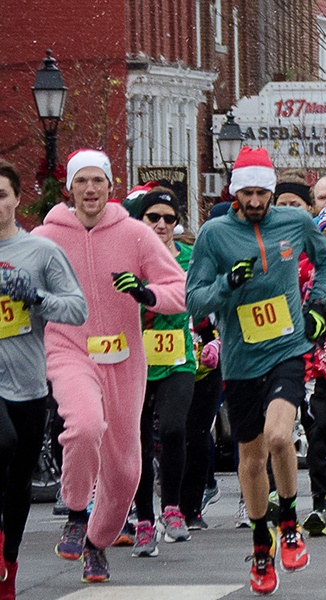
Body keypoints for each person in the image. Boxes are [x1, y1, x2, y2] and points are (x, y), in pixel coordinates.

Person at [35, 150, 188, 583]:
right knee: (84, 425)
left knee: (125, 470)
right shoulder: (48, 236)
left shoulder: (136, 234)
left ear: (109, 187)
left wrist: (145, 293)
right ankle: (76, 513)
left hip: (123, 355)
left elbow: (178, 287)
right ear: (69, 188)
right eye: (81, 181)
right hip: (70, 348)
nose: (89, 190)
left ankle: (97, 542)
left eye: (97, 181)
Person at [187, 147, 326, 593]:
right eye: (246, 192)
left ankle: (287, 520)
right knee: (250, 459)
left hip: (287, 346)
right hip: (241, 358)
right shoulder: (214, 235)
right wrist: (227, 284)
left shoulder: (296, 222)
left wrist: (317, 306)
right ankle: (261, 543)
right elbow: (195, 301)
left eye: (261, 193)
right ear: (234, 191)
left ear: (271, 191)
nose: (254, 201)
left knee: (280, 436)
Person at [0, 159, 87, 597]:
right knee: (4, 443)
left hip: (29, 382)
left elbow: (77, 309)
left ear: (17, 199)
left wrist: (35, 297)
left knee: (18, 482)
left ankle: (8, 565)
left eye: (1, 194)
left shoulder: (41, 252)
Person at [121, 187, 201, 556]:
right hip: (134, 360)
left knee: (173, 429)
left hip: (177, 360)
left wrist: (211, 336)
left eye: (169, 219)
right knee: (135, 441)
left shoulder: (188, 257)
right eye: (154, 217)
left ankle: (172, 509)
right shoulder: (126, 258)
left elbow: (199, 300)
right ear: (140, 220)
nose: (162, 225)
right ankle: (143, 521)